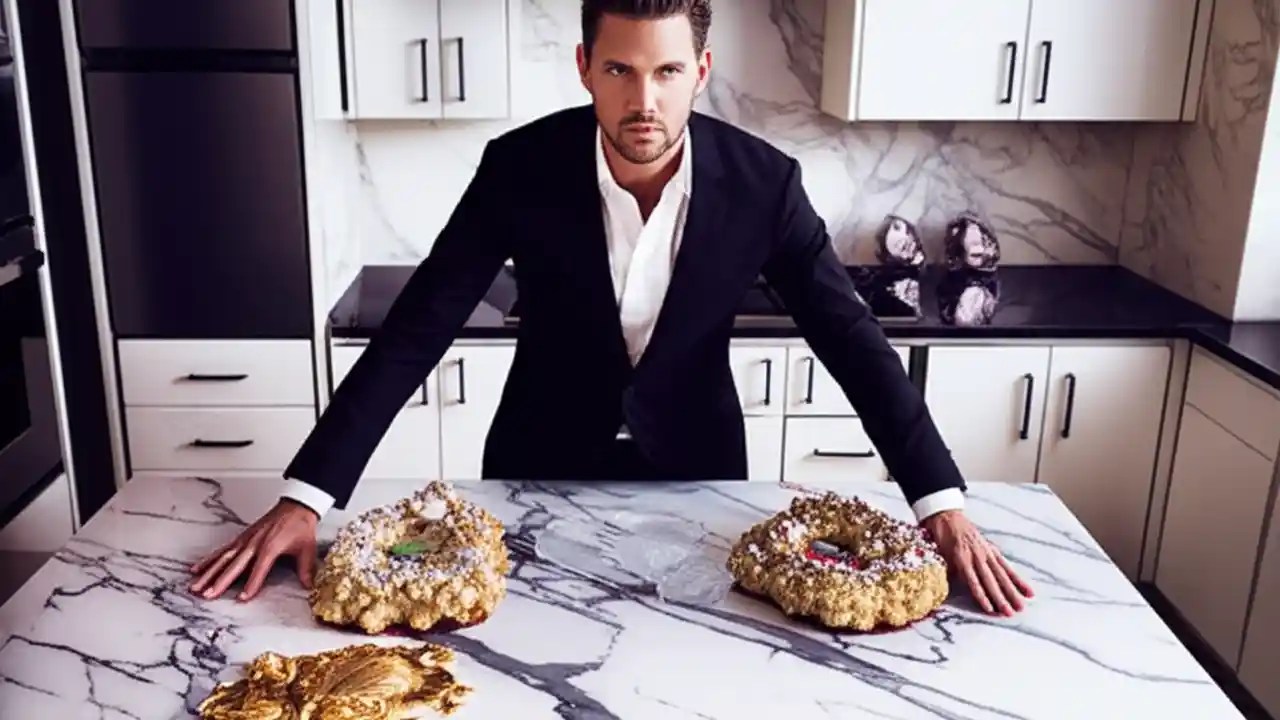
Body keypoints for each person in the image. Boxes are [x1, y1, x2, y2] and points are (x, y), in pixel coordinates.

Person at [189, 0, 1033, 616]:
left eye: (668, 72)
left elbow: (851, 339)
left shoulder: (764, 186)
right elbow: (418, 328)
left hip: (698, 474)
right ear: (585, 65)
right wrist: (309, 496)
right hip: (535, 467)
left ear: (700, 71)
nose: (645, 102)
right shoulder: (518, 168)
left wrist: (940, 504)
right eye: (621, 70)